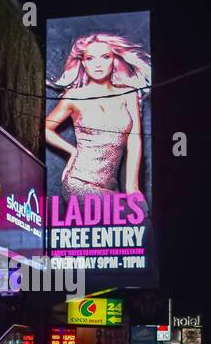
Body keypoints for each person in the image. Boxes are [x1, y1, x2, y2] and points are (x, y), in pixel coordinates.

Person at [45, 33, 152, 213]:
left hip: (111, 188)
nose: (97, 63)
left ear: (113, 60)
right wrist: (72, 151)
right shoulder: (74, 97)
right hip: (79, 183)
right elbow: (45, 128)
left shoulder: (128, 94)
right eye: (90, 58)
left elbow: (134, 142)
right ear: (84, 63)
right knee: (135, 222)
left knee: (140, 225)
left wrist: (132, 188)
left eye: (105, 57)